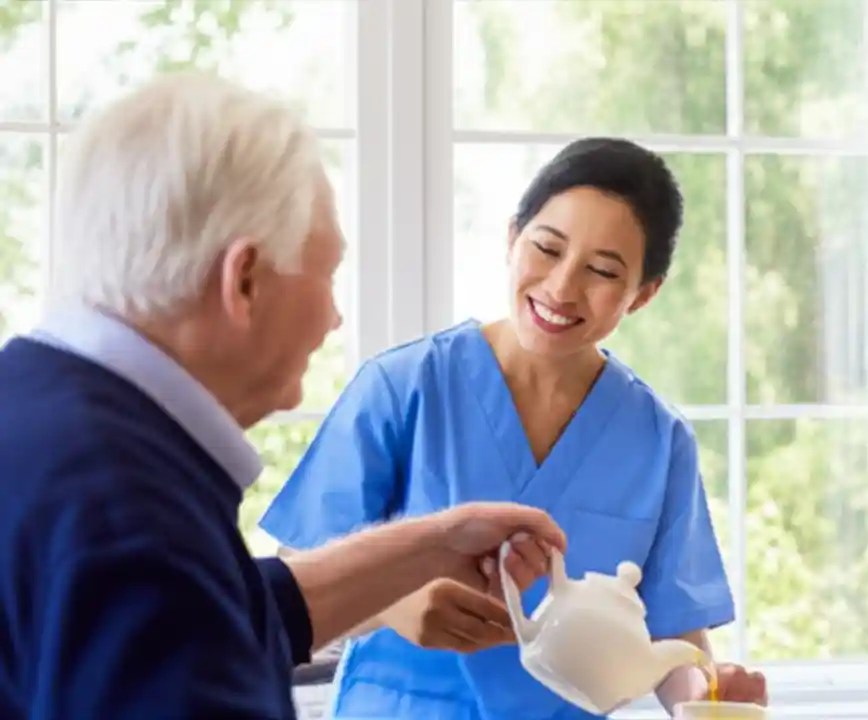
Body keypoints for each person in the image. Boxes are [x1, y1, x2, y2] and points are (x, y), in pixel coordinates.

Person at [0, 73, 562, 720]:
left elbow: (218, 613)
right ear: (244, 280)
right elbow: (181, 613)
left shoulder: (37, 412)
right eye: (326, 274)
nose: (333, 319)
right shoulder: (131, 519)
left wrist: (432, 547)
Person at [259, 137, 769, 718]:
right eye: (547, 249)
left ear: (643, 295)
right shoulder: (405, 387)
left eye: (603, 271)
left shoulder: (657, 440)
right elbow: (295, 575)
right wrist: (393, 605)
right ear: (511, 238)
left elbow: (672, 633)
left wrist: (705, 697)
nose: (561, 288)